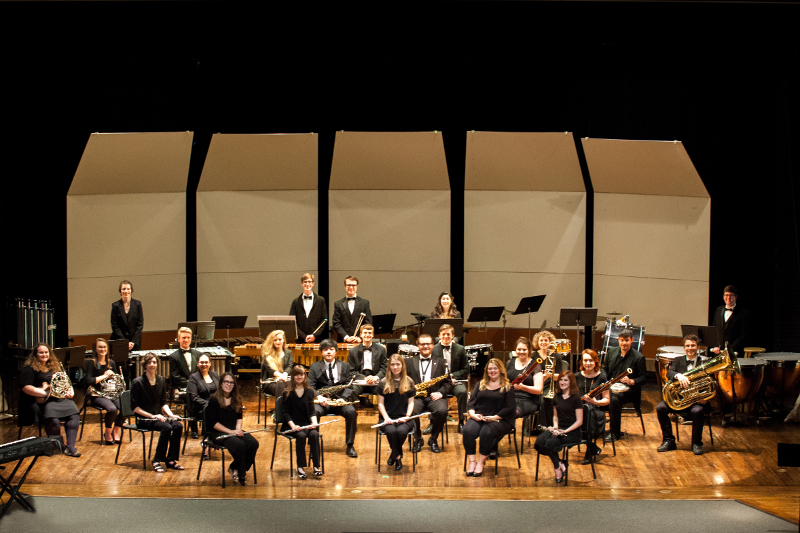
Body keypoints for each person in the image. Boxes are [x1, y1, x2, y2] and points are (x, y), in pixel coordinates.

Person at [20, 343, 81, 457]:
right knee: (53, 420)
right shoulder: (29, 368)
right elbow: (25, 387)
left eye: (46, 352)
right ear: (35, 354)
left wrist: (69, 392)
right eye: (41, 352)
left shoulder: (56, 366)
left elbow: (65, 381)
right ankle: (61, 445)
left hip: (59, 398)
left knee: (74, 414)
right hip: (45, 400)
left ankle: (71, 447)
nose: (44, 355)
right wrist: (44, 392)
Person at [655, 334, 710, 455]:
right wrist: (678, 375)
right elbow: (669, 372)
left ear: (698, 347)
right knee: (661, 407)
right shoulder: (678, 360)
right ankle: (669, 440)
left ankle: (696, 443)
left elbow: (710, 381)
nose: (690, 348)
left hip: (696, 401)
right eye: (687, 346)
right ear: (684, 347)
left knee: (698, 411)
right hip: (679, 399)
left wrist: (704, 398)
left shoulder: (704, 362)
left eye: (693, 345)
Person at [131, 353, 184, 472]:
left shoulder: (161, 380)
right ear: (144, 365)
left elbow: (163, 403)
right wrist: (152, 415)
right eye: (149, 362)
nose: (152, 365)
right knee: (166, 428)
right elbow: (134, 407)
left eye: (154, 362)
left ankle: (170, 459)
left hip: (158, 417)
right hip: (144, 419)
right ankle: (157, 460)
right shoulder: (137, 382)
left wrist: (171, 415)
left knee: (177, 426)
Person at [463, 358, 517, 477]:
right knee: (467, 430)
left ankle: (481, 463)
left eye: (495, 368)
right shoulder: (480, 384)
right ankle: (472, 462)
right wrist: (472, 414)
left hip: (501, 419)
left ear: (500, 370)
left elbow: (509, 408)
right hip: (480, 416)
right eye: (490, 369)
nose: (492, 371)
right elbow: (471, 403)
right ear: (487, 371)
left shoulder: (507, 387)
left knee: (486, 432)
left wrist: (494, 417)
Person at [308, 339, 359, 457]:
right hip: (322, 402)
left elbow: (350, 386)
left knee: (351, 412)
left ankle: (350, 445)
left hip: (339, 401)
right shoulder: (314, 367)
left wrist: (344, 399)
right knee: (314, 412)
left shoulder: (345, 366)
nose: (328, 352)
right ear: (321, 352)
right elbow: (310, 386)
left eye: (331, 349)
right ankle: (314, 446)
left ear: (336, 351)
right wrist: (319, 397)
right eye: (325, 350)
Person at [206, 372, 259, 485]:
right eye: (226, 382)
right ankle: (241, 475)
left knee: (253, 443)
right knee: (239, 445)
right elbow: (212, 423)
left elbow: (239, 417)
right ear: (221, 383)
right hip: (218, 433)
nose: (229, 385)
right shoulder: (214, 399)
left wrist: (238, 429)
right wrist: (231, 432)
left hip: (233, 430)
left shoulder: (236, 398)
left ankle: (235, 467)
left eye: (231, 383)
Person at [534, 370, 584, 484]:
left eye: (565, 380)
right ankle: (560, 463)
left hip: (572, 431)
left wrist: (565, 430)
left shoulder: (576, 398)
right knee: (540, 441)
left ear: (571, 382)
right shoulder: (557, 397)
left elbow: (579, 421)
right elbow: (555, 417)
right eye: (560, 379)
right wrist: (555, 427)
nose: (562, 382)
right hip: (559, 429)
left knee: (550, 443)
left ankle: (557, 470)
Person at [407, 333, 452, 454]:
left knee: (442, 411)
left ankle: (433, 438)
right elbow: (403, 381)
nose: (425, 346)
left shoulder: (442, 362)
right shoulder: (409, 362)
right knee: (410, 412)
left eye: (428, 344)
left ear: (433, 345)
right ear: (417, 346)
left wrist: (440, 393)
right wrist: (411, 389)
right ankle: (418, 438)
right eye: (422, 344)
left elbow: (448, 383)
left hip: (435, 397)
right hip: (416, 397)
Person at [602, 328, 647, 442]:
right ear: (618, 340)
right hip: (611, 387)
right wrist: (604, 380)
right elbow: (604, 369)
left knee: (614, 399)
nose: (624, 343)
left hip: (629, 391)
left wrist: (632, 381)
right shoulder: (612, 352)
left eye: (626, 340)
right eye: (622, 340)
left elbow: (644, 378)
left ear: (632, 340)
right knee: (593, 395)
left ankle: (615, 433)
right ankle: (596, 428)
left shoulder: (638, 357)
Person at [80, 338, 125, 444]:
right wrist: (104, 376)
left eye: (104, 347)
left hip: (111, 393)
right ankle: (108, 432)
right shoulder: (91, 363)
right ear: (95, 349)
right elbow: (88, 381)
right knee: (112, 409)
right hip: (97, 395)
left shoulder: (111, 363)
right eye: (100, 347)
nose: (102, 349)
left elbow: (115, 380)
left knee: (125, 408)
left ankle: (116, 431)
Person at [281, 365, 322, 478]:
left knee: (314, 434)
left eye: (301, 374)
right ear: (293, 376)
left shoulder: (309, 392)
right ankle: (300, 466)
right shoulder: (287, 393)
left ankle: (316, 466)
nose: (299, 377)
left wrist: (314, 423)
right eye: (296, 375)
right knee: (301, 436)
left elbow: (312, 411)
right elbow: (285, 413)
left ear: (305, 376)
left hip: (305, 424)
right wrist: (293, 426)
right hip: (291, 425)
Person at [376, 354, 416, 471]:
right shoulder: (383, 382)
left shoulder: (409, 381)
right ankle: (398, 457)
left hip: (405, 418)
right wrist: (386, 418)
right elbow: (380, 404)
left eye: (398, 364)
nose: (395, 367)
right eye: (392, 364)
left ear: (402, 366)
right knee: (391, 431)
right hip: (387, 418)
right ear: (389, 366)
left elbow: (411, 403)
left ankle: (394, 454)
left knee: (402, 431)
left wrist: (407, 417)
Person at [576, 349, 609, 464]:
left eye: (591, 360)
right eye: (585, 360)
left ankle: (589, 451)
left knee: (588, 419)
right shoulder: (576, 376)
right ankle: (593, 447)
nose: (588, 363)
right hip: (579, 410)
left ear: (595, 362)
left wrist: (595, 402)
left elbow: (607, 400)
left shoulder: (602, 377)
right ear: (582, 362)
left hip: (596, 409)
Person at [506, 337, 545, 434]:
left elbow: (538, 390)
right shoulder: (510, 362)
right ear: (515, 350)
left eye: (524, 349)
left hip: (528, 400)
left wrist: (523, 387)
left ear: (529, 350)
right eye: (519, 349)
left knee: (509, 413)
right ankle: (492, 441)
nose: (521, 352)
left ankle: (492, 442)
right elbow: (503, 381)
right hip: (510, 397)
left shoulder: (535, 365)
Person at [169, 326, 200, 436]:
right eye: (183, 338)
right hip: (183, 386)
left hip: (197, 384)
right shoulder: (174, 357)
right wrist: (190, 382)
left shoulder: (197, 354)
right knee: (191, 396)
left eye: (188, 337)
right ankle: (194, 429)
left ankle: (207, 426)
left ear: (191, 339)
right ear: (178, 339)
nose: (186, 340)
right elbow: (175, 376)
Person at [348, 324, 387, 407]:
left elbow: (384, 368)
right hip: (360, 380)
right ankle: (352, 414)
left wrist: (375, 377)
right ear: (361, 335)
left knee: (386, 390)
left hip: (375, 379)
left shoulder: (381, 350)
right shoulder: (353, 351)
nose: (367, 335)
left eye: (369, 333)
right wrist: (365, 378)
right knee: (350, 392)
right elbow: (351, 371)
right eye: (365, 333)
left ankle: (386, 414)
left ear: (373, 335)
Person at [187, 353, 220, 449]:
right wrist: (210, 404)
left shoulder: (215, 375)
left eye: (206, 362)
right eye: (201, 362)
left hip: (215, 406)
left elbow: (220, 391)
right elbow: (194, 398)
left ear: (210, 364)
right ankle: (207, 440)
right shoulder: (193, 378)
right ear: (197, 364)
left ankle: (219, 437)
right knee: (210, 412)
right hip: (200, 408)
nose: (204, 364)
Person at [711, 285, 751, 358]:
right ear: (723, 296)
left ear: (736, 297)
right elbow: (714, 329)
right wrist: (715, 345)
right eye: (726, 295)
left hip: (734, 353)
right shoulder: (718, 310)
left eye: (731, 295)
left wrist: (730, 349)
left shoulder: (744, 313)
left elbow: (744, 335)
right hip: (718, 352)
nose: (728, 298)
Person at [289, 272, 329, 343]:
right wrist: (303, 336)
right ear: (302, 284)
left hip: (316, 339)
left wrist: (314, 335)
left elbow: (324, 319)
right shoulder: (296, 301)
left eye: (309, 282)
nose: (307, 284)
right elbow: (292, 322)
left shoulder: (320, 300)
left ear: (313, 283)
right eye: (305, 282)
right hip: (300, 340)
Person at [332, 276, 372, 343]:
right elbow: (336, 323)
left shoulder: (364, 303)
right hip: (343, 341)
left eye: (353, 285)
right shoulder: (338, 304)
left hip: (360, 342)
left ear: (357, 286)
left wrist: (360, 337)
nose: (351, 287)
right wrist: (346, 337)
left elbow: (368, 323)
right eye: (348, 285)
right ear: (345, 286)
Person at [532, 330, 559, 427]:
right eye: (541, 340)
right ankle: (540, 426)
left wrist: (549, 375)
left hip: (551, 385)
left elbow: (561, 377)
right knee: (541, 399)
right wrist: (539, 378)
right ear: (537, 342)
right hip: (536, 384)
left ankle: (548, 426)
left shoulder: (556, 356)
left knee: (547, 399)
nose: (543, 342)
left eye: (546, 340)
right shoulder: (533, 355)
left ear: (550, 342)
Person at [110, 280, 143, 352]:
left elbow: (140, 325)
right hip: (119, 340)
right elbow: (114, 325)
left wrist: (133, 341)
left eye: (128, 289)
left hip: (134, 341)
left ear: (131, 290)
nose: (126, 291)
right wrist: (124, 342)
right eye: (124, 289)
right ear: (120, 291)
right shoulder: (115, 306)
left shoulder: (137, 304)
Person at [260, 329, 293, 399]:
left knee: (296, 386)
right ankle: (280, 409)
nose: (278, 342)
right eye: (275, 340)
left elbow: (289, 366)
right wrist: (281, 376)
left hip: (284, 380)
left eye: (280, 339)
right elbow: (270, 369)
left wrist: (284, 375)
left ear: (283, 340)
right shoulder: (267, 355)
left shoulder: (289, 353)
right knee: (281, 387)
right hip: (270, 382)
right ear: (272, 341)